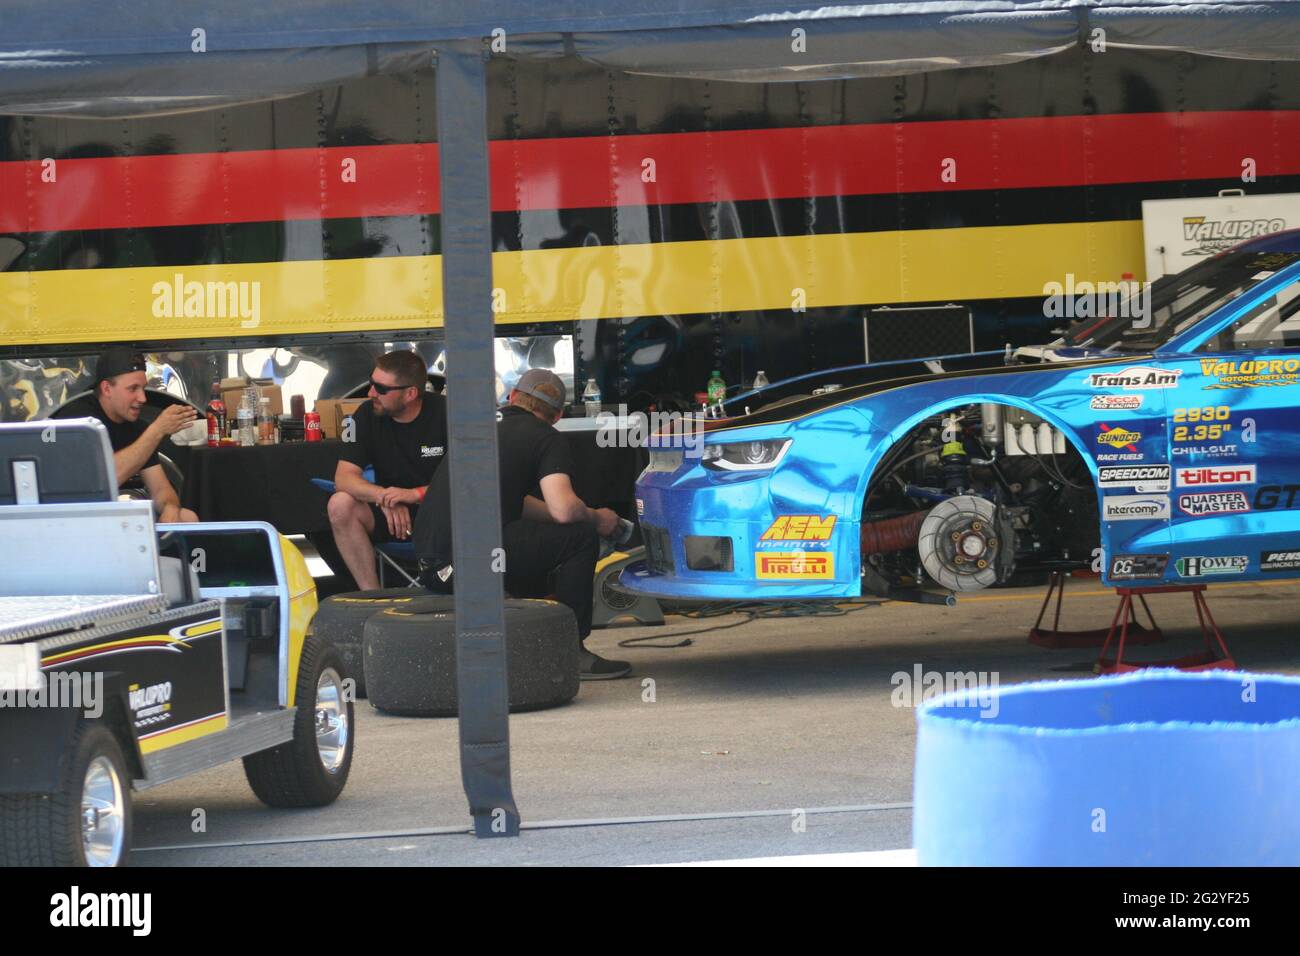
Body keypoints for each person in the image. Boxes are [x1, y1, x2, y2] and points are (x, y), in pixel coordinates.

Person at [413, 368, 632, 680]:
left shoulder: (478, 429)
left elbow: (520, 504)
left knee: (528, 536)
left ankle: (528, 636)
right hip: (469, 565)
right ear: (556, 417)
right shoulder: (545, 437)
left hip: (431, 564)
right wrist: (597, 518)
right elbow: (564, 511)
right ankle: (570, 650)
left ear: (512, 397)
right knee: (580, 537)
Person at [327, 349, 448, 591]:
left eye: (381, 389)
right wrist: (384, 496)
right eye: (372, 384)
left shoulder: (448, 414)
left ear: (411, 393)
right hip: (393, 516)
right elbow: (344, 478)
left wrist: (414, 495)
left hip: (442, 516)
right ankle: (373, 600)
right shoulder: (366, 415)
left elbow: (471, 479)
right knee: (340, 504)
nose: (371, 393)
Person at [60, 346, 199, 523]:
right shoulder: (80, 422)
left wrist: (170, 508)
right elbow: (102, 480)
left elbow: (161, 489)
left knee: (187, 517)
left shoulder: (136, 428)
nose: (143, 398)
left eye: (143, 388)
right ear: (107, 389)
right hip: (75, 518)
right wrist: (156, 430)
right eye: (133, 389)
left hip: (113, 516)